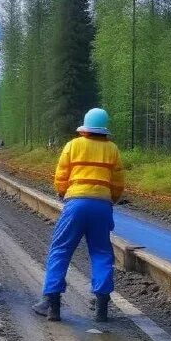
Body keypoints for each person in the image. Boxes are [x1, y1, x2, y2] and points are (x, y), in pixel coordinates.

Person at [33, 107, 125, 323]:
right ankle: (102, 305)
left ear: (85, 128)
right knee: (101, 252)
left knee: (60, 250)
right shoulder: (112, 149)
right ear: (104, 128)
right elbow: (119, 182)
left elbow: (61, 176)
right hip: (102, 205)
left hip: (76, 203)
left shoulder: (73, 146)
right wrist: (110, 198)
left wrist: (64, 193)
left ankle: (52, 304)